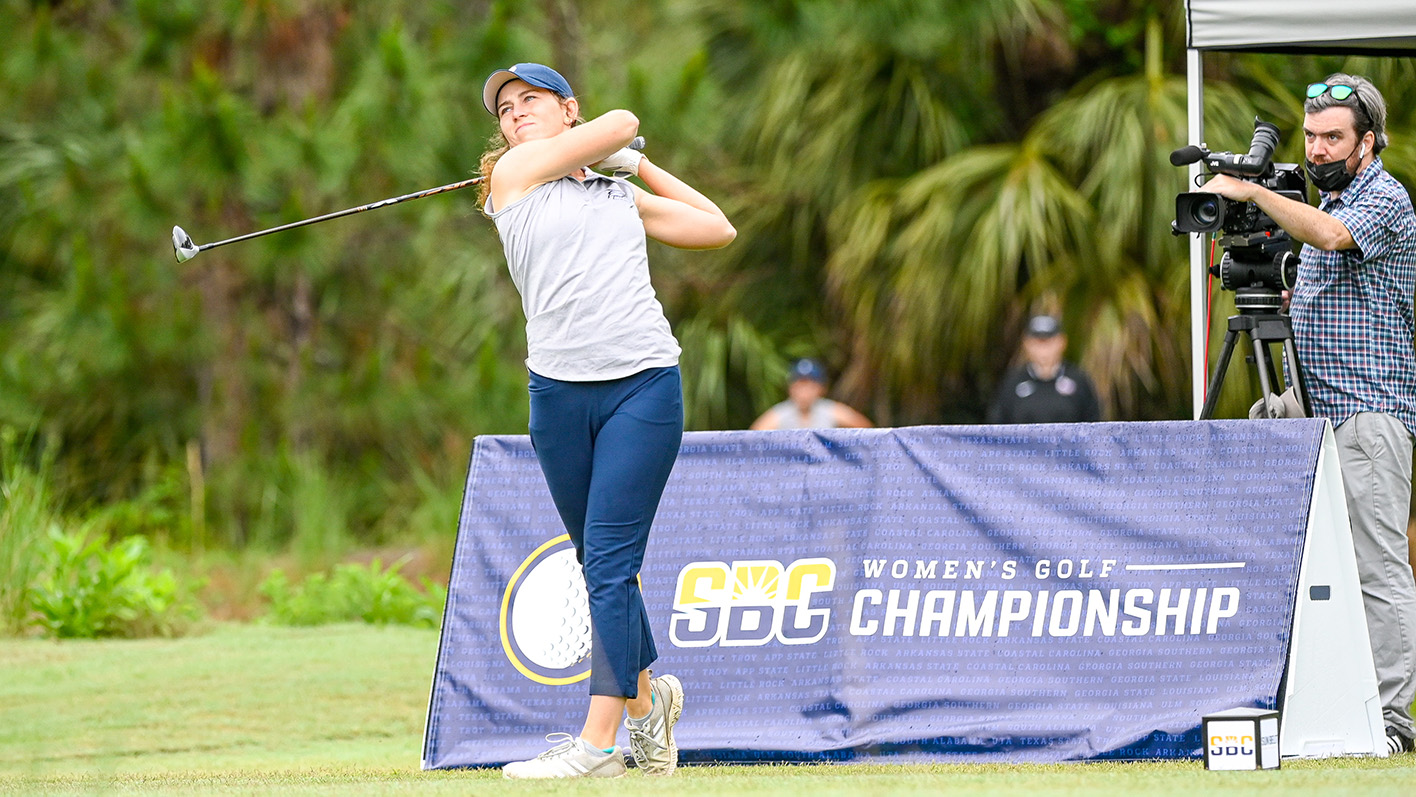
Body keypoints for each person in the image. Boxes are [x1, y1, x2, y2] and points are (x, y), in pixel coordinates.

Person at [478, 62, 736, 778]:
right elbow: (616, 123)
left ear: (569, 110)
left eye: (532, 100)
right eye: (505, 108)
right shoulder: (514, 177)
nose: (516, 113)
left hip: (643, 388)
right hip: (558, 397)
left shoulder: (617, 195)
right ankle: (649, 705)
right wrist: (610, 143)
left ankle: (597, 746)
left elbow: (717, 226)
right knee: (601, 567)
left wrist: (637, 166)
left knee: (612, 566)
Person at [1198, 73, 1416, 755]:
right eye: (1312, 136)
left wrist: (1252, 190)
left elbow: (1327, 236)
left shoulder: (1384, 197)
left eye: (1333, 138)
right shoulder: (1325, 197)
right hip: (1313, 408)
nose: (1317, 150)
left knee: (1377, 571)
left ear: (1367, 143)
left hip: (1369, 413)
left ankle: (1391, 719)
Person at [986, 314, 1101, 424]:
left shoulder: (1078, 380)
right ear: (1026, 344)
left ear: (1062, 342)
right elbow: (998, 426)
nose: (1043, 350)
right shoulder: (1013, 382)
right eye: (1037, 343)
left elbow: (1093, 424)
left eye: (1048, 342)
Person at [749, 358, 873, 430]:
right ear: (790, 388)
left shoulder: (830, 410)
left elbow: (866, 429)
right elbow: (751, 438)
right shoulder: (780, 413)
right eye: (799, 384)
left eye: (809, 385)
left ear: (821, 389)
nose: (804, 391)